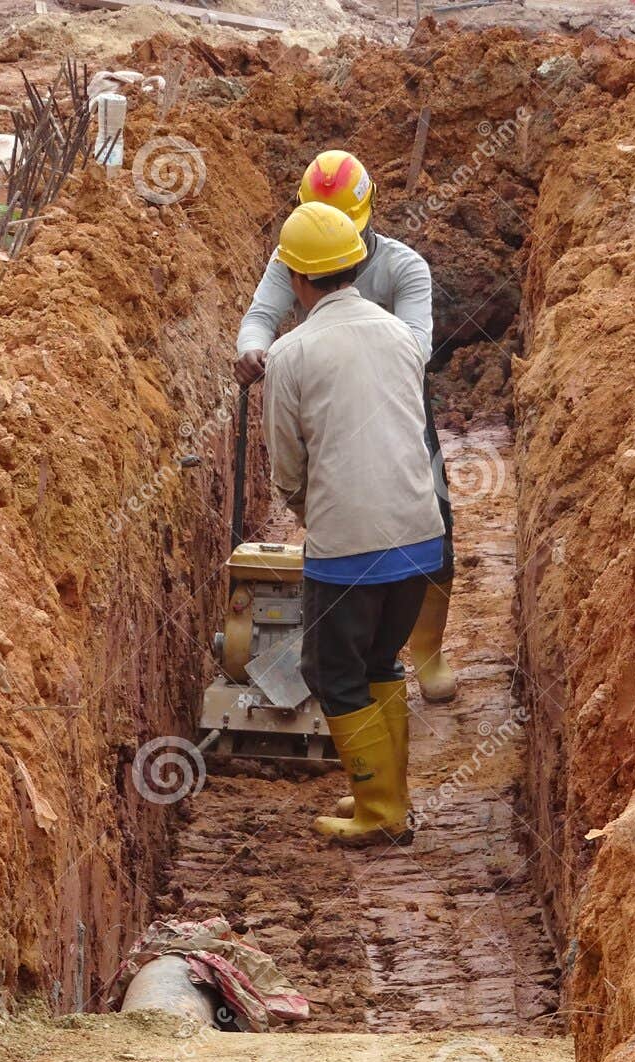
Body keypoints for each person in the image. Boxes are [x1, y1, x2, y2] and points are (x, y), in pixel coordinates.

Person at [236, 149, 459, 704]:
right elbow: (261, 315)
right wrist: (254, 350)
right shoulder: (298, 256)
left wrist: (345, 339)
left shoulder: (405, 266)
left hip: (397, 401)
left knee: (435, 521)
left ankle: (427, 649)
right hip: (326, 398)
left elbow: (417, 349)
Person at [263, 203, 446, 845]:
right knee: (380, 662)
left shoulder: (291, 353)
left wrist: (313, 516)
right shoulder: (401, 335)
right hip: (422, 536)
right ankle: (388, 794)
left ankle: (379, 811)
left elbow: (286, 462)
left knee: (332, 672)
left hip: (350, 546)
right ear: (359, 263)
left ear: (296, 278)